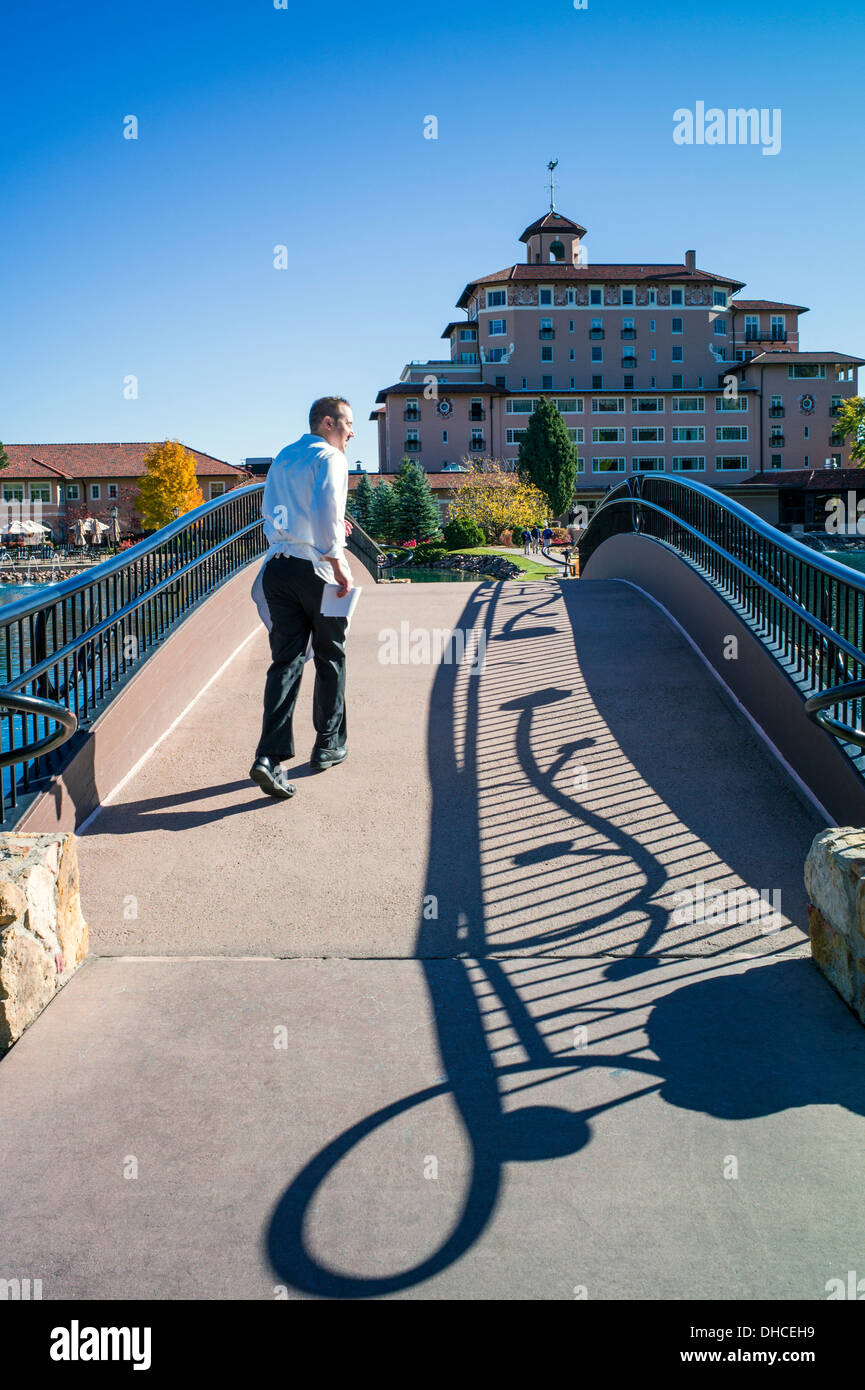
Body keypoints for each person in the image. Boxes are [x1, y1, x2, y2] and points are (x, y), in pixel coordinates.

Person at [249, 396, 355, 799]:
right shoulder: (330, 457)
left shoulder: (282, 457)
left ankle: (270, 757)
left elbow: (271, 510)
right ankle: (328, 744)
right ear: (328, 422)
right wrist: (338, 560)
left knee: (286, 662)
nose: (352, 433)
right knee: (330, 654)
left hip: (278, 567)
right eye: (347, 424)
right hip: (317, 568)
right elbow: (326, 505)